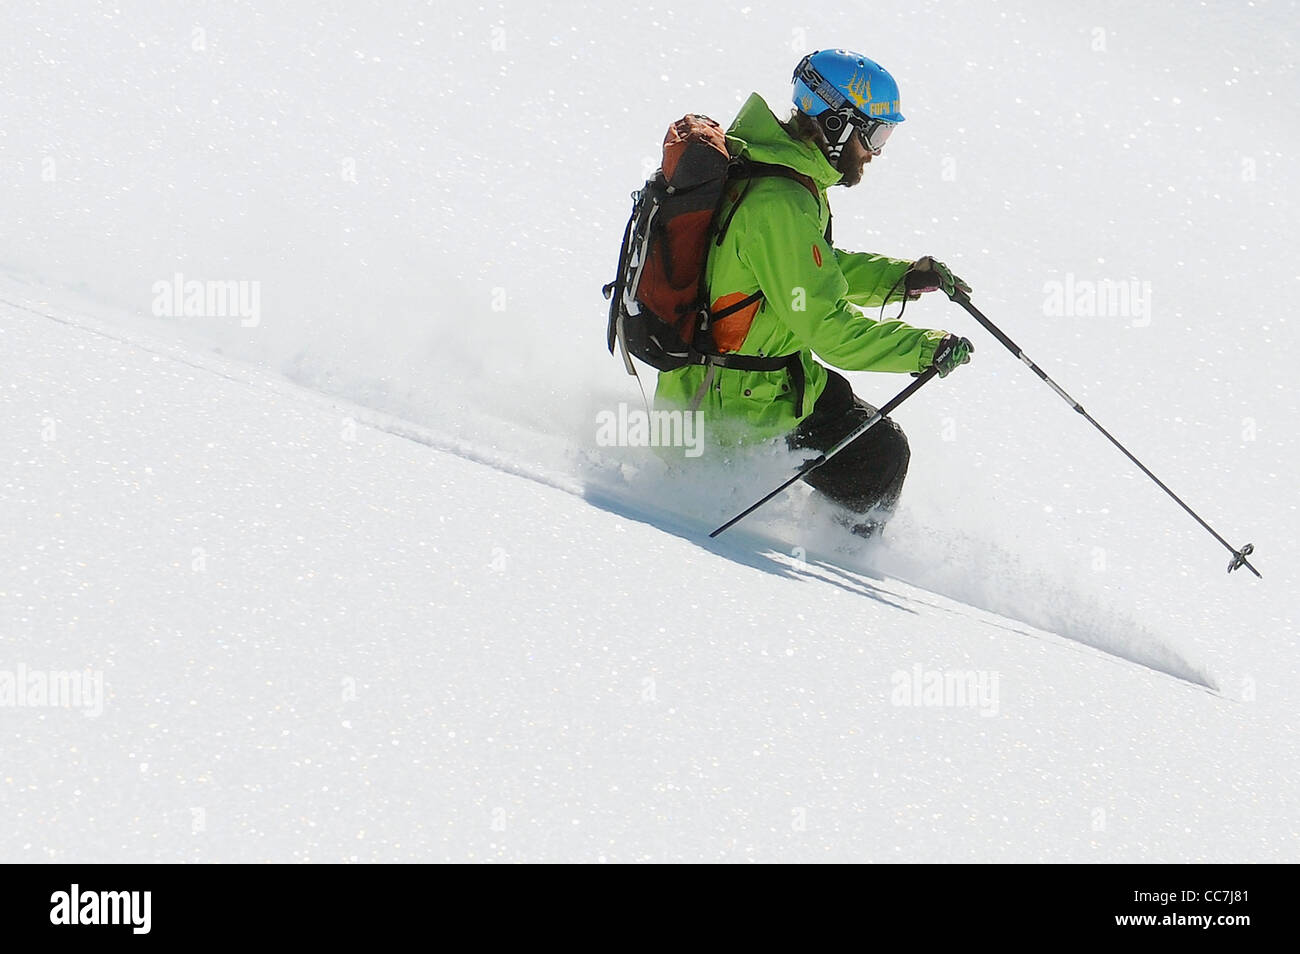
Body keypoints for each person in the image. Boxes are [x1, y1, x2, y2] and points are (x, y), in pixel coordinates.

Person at [655, 49, 974, 537]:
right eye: (875, 134)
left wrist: (901, 278)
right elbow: (829, 328)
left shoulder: (777, 173)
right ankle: (840, 563)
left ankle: (828, 545)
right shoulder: (779, 202)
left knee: (878, 449)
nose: (876, 152)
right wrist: (925, 349)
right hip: (735, 405)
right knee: (878, 459)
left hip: (764, 376)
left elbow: (808, 269)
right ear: (837, 123)